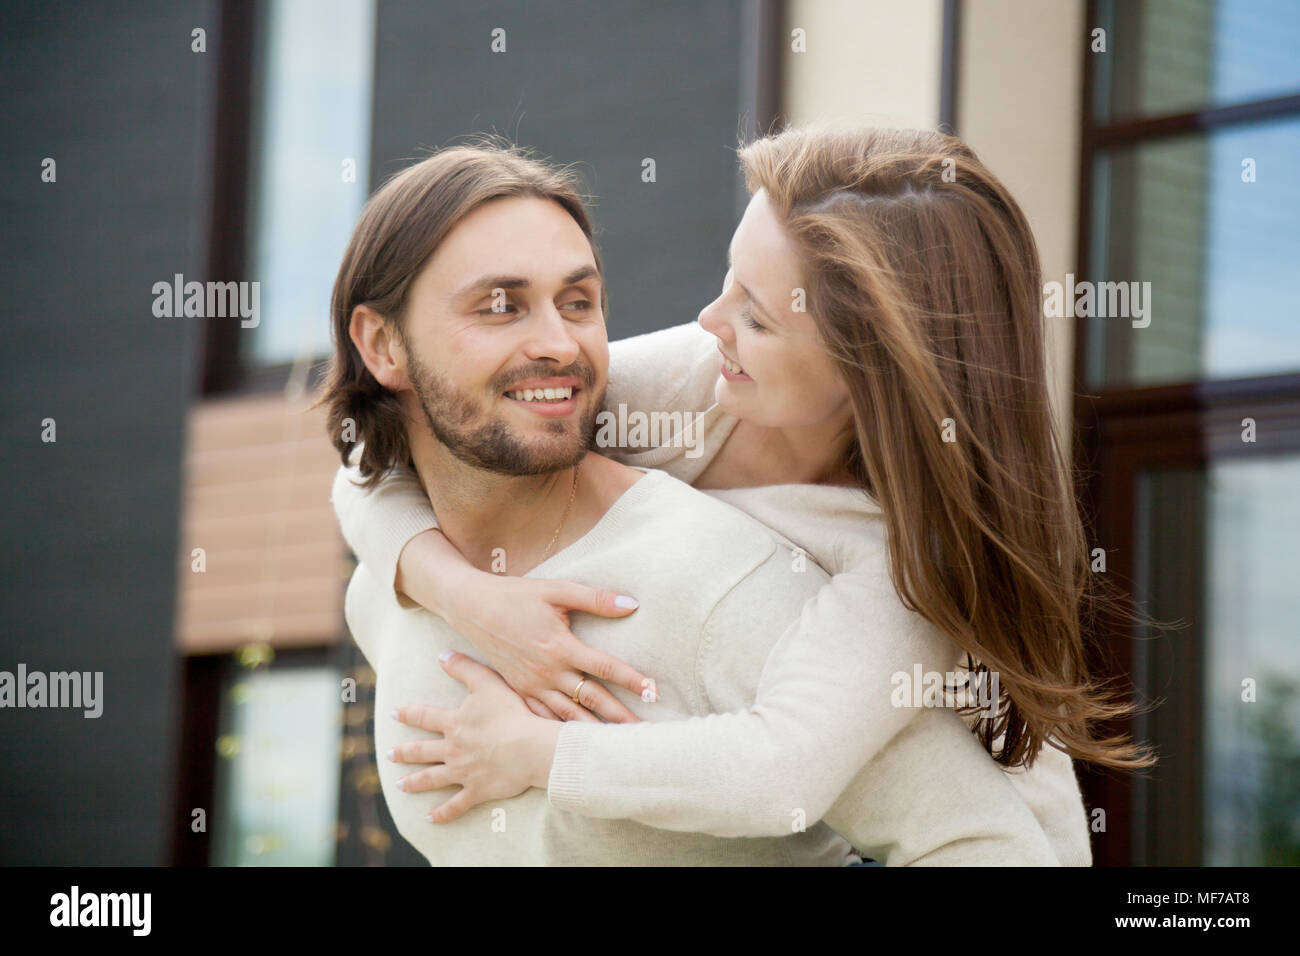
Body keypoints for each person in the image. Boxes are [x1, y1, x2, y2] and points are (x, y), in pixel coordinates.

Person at [325, 131, 1137, 866]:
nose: (710, 318)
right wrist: (467, 595)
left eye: (755, 315)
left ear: (869, 369)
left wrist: (537, 752)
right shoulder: (695, 377)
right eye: (728, 282)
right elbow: (382, 453)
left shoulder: (908, 570)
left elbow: (777, 769)